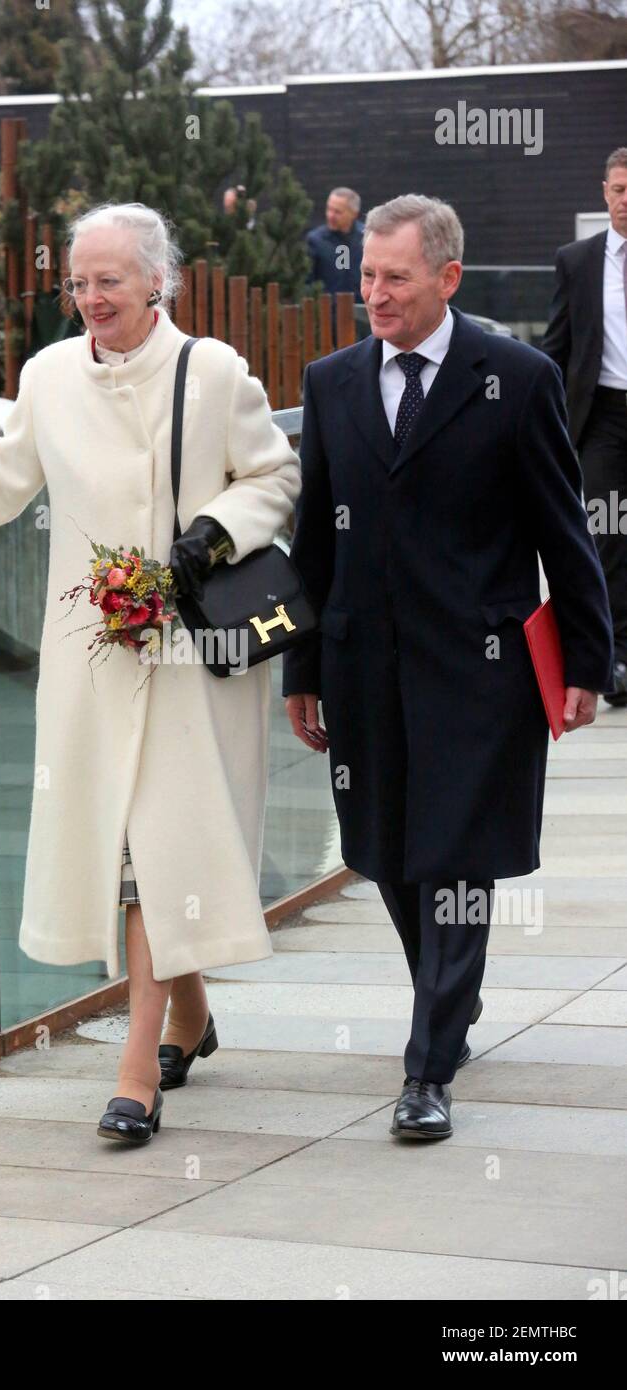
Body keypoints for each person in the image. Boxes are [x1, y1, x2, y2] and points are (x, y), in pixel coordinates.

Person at [0, 201, 301, 1146]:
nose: (90, 298)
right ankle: (189, 1017)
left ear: (158, 281)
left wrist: (210, 534)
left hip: (193, 657)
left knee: (157, 852)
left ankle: (135, 1067)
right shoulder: (49, 377)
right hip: (92, 661)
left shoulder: (214, 372)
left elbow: (275, 477)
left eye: (109, 280)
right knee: (131, 851)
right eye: (77, 282)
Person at [282, 194, 613, 1141]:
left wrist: (587, 657)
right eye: (366, 277)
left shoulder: (517, 376)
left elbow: (565, 528)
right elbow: (313, 543)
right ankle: (449, 1008)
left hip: (481, 669)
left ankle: (427, 1068)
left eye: (394, 278)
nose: (372, 294)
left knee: (455, 857)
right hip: (362, 664)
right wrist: (298, 668)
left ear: (448, 279)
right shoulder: (332, 382)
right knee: (389, 855)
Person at [542, 147, 627, 707]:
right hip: (605, 419)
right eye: (619, 190)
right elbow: (557, 345)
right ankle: (615, 659)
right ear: (604, 193)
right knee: (609, 536)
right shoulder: (578, 261)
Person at [306, 186, 365, 303]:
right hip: (327, 314)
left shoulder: (367, 238)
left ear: (354, 214)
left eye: (337, 212)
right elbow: (308, 283)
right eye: (329, 209)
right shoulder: (315, 240)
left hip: (362, 312)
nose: (330, 215)